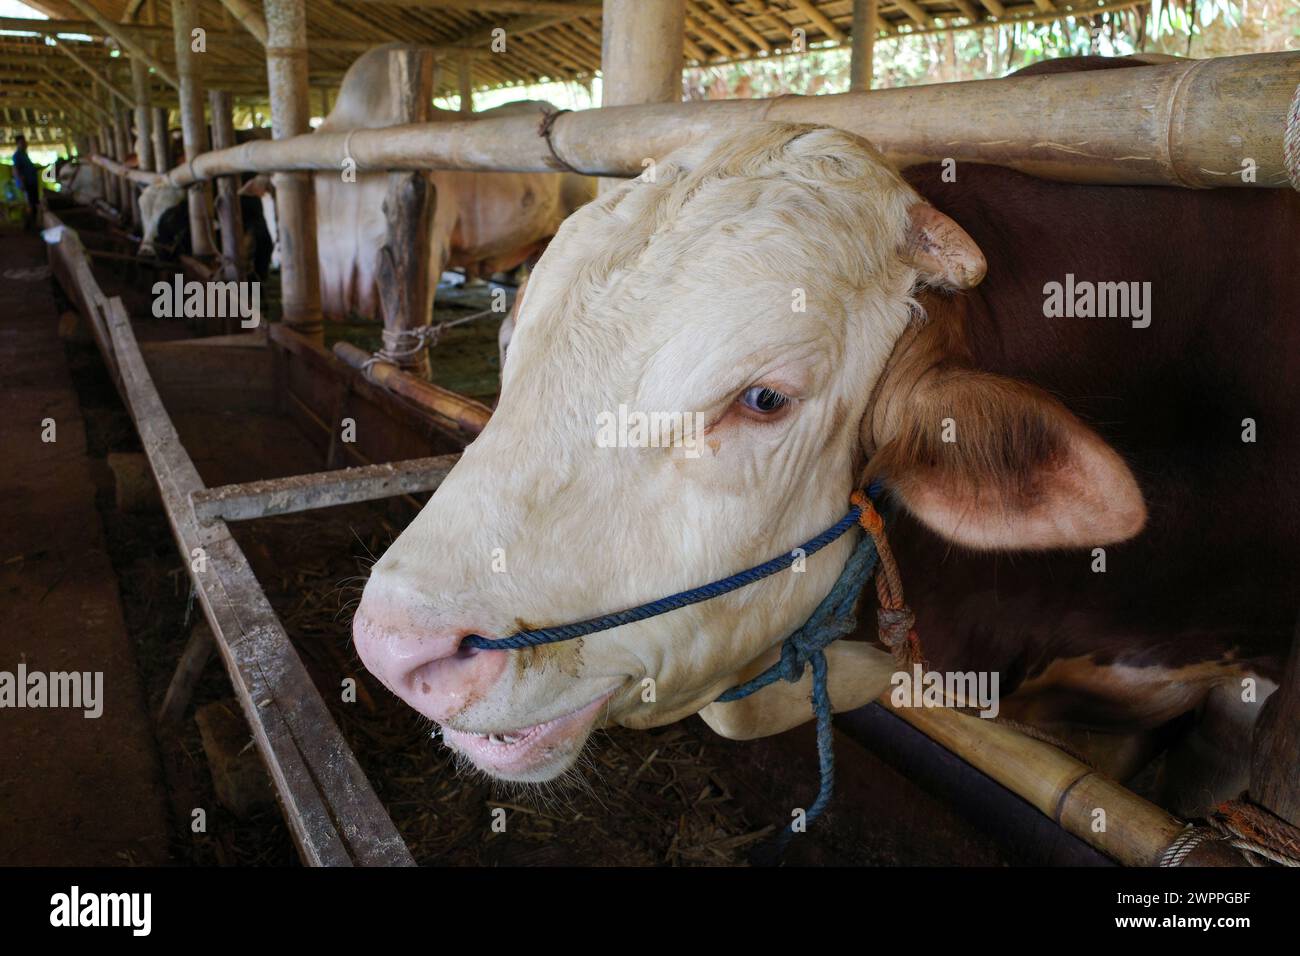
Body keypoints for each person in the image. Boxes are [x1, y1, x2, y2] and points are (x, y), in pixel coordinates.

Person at [12, 135, 41, 232]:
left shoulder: (25, 155)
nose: (25, 144)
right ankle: (28, 226)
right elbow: (16, 170)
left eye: (25, 142)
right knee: (30, 205)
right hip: (26, 184)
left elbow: (30, 168)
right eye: (22, 143)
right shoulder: (17, 156)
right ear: (17, 144)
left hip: (32, 183)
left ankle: (31, 225)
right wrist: (21, 183)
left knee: (34, 204)